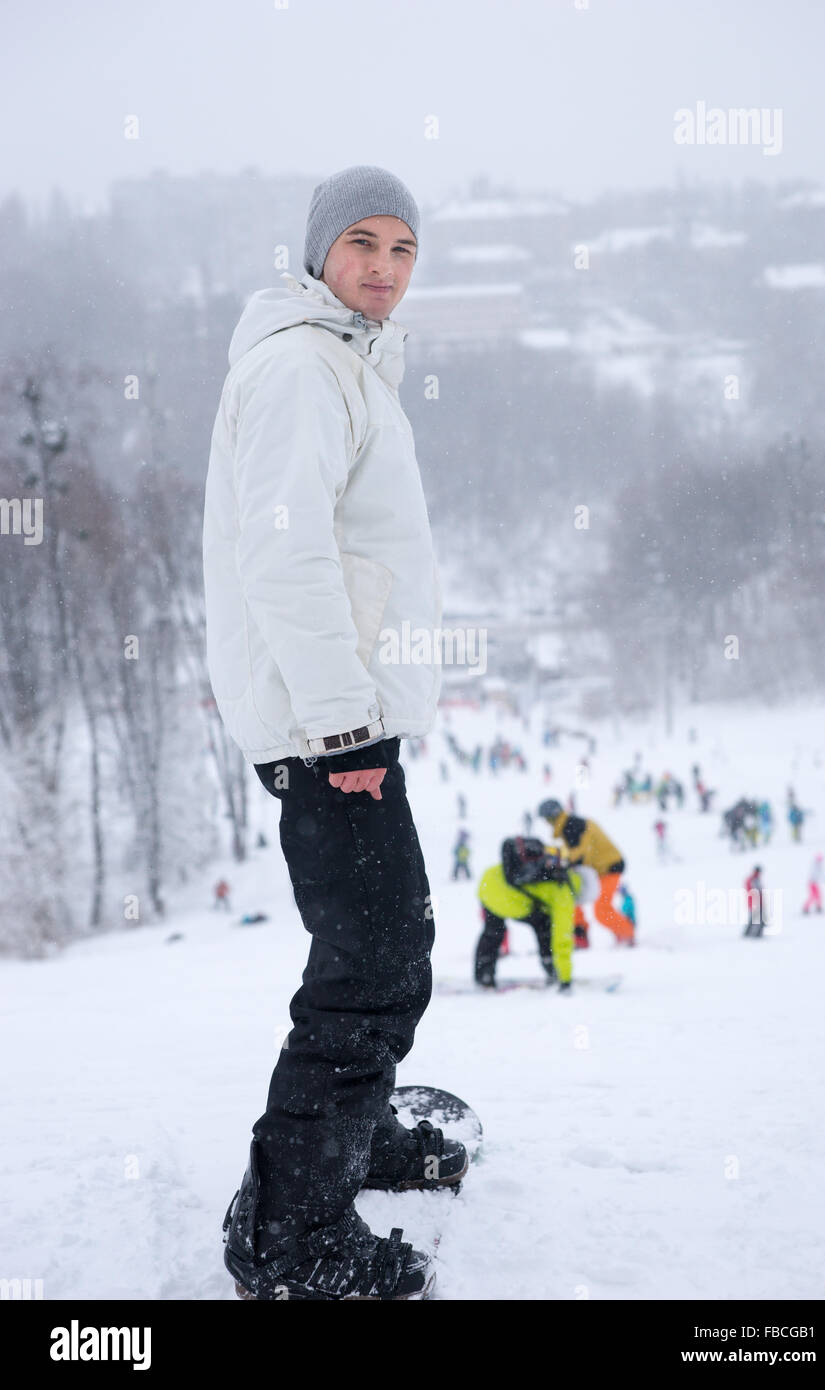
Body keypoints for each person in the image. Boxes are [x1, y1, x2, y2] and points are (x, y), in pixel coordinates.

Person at [205, 166, 464, 1301]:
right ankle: (291, 1239)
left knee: (384, 951)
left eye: (402, 250)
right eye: (360, 243)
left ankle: (335, 1151)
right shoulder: (306, 368)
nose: (382, 268)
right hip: (333, 732)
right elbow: (285, 557)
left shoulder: (341, 361)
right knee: (369, 971)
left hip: (340, 721)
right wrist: (346, 727)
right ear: (316, 253)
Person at [474, 837, 597, 992]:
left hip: (489, 881)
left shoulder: (556, 870)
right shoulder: (564, 893)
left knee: (493, 932)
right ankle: (553, 970)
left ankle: (484, 975)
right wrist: (565, 979)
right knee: (545, 926)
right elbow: (562, 939)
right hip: (508, 899)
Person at [538, 800, 635, 945]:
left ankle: (628, 934)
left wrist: (560, 860)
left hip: (609, 867)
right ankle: (580, 934)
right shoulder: (567, 826)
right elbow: (575, 854)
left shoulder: (573, 825)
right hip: (596, 869)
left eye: (547, 819)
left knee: (601, 910)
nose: (547, 823)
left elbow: (580, 852)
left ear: (552, 816)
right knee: (570, 895)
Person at [743, 865, 765, 936]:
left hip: (756, 903)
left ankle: (750, 933)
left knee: (755, 919)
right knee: (759, 919)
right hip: (755, 903)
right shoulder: (753, 879)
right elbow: (754, 891)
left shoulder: (755, 879)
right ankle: (757, 933)